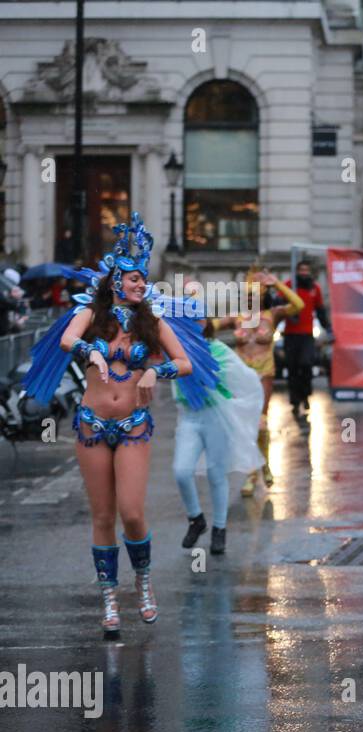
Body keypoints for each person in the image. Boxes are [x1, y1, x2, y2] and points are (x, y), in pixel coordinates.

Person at [23, 212, 220, 638]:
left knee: (131, 513)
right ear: (115, 280)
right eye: (133, 279)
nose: (140, 284)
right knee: (102, 516)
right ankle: (109, 598)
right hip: (92, 425)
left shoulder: (152, 321)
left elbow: (183, 361)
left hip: (133, 424)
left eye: (142, 279)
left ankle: (143, 583)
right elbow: (65, 340)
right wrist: (90, 352)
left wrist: (155, 372)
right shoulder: (90, 316)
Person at [173, 295, 265, 555]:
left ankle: (220, 529)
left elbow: (245, 378)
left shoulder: (218, 350)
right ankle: (196, 519)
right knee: (181, 471)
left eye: (200, 317)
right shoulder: (175, 348)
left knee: (216, 474)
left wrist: (243, 405)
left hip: (217, 417)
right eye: (189, 318)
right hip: (189, 419)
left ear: (207, 321)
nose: (196, 322)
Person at [211, 268, 302, 496]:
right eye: (248, 294)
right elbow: (208, 327)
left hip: (263, 375)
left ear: (263, 295)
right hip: (241, 377)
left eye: (256, 293)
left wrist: (278, 283)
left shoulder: (274, 314)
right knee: (243, 426)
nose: (252, 298)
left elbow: (298, 305)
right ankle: (255, 471)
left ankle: (262, 466)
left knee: (260, 423)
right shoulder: (236, 318)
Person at [283, 259, 329, 421]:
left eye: (306, 270)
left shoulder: (314, 289)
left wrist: (329, 329)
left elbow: (321, 311)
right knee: (292, 368)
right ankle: (295, 401)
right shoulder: (289, 286)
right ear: (296, 272)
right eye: (301, 270)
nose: (303, 273)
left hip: (307, 335)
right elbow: (278, 305)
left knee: (306, 365)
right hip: (290, 334)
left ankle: (305, 395)